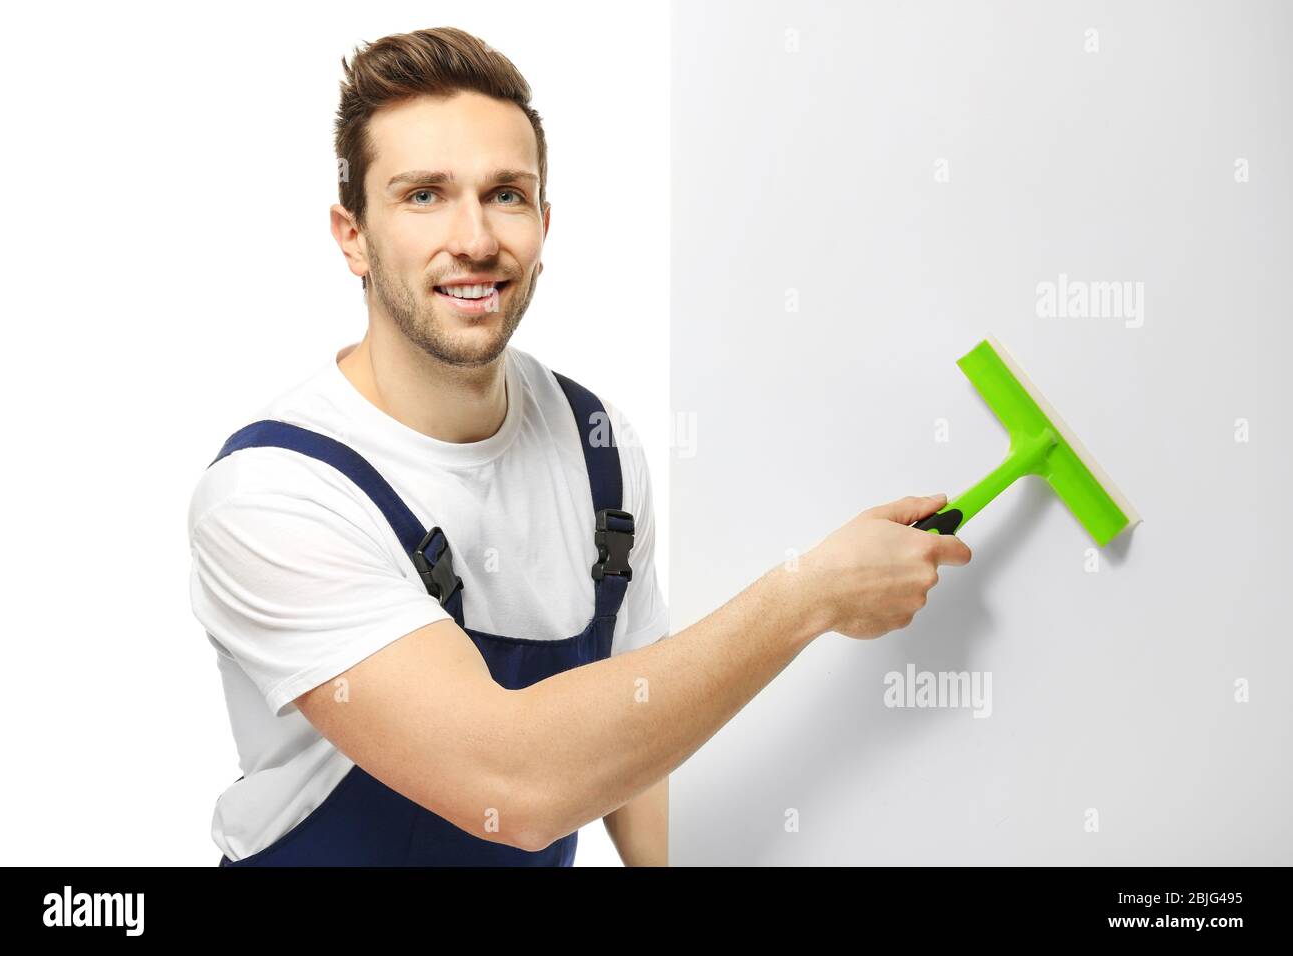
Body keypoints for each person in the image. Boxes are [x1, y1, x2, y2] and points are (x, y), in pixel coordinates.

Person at [187, 26, 971, 868]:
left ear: (544, 221)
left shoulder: (596, 446)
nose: (476, 239)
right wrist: (808, 597)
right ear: (352, 235)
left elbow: (632, 753)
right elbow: (512, 786)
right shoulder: (274, 493)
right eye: (423, 196)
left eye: (506, 194)